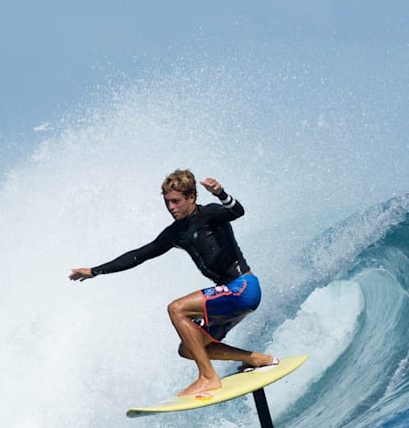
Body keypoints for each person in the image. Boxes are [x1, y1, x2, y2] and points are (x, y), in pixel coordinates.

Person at [70, 169, 276, 396]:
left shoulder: (209, 214)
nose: (171, 207)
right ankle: (255, 358)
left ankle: (208, 377)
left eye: (176, 201)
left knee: (176, 309)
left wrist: (220, 193)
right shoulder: (175, 233)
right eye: (167, 202)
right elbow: (139, 255)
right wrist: (95, 271)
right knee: (189, 348)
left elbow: (237, 211)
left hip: (243, 287)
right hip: (229, 295)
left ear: (192, 198)